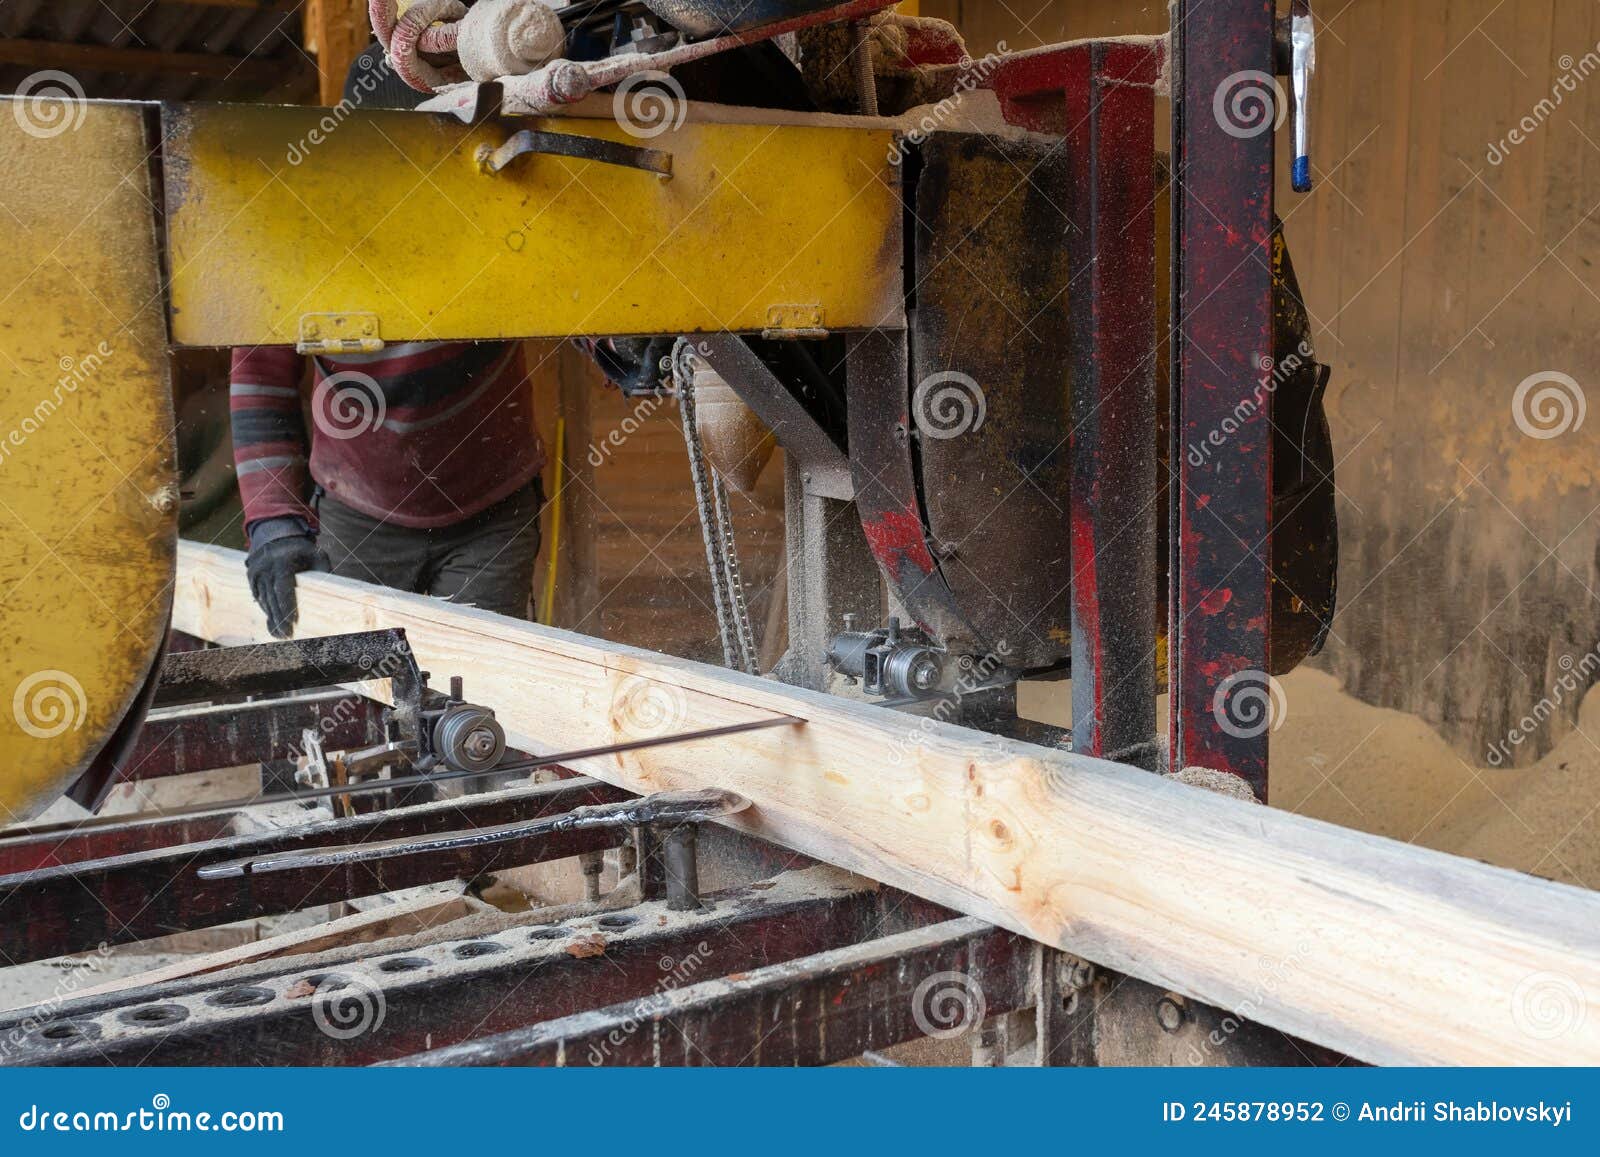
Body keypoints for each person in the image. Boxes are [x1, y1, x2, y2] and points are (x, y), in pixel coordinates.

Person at [232, 50, 545, 638]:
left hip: (493, 509)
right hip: (360, 515)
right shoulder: (302, 241)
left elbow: (583, 296)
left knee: (480, 696)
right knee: (365, 705)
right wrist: (274, 521)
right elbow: (259, 379)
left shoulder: (500, 215)